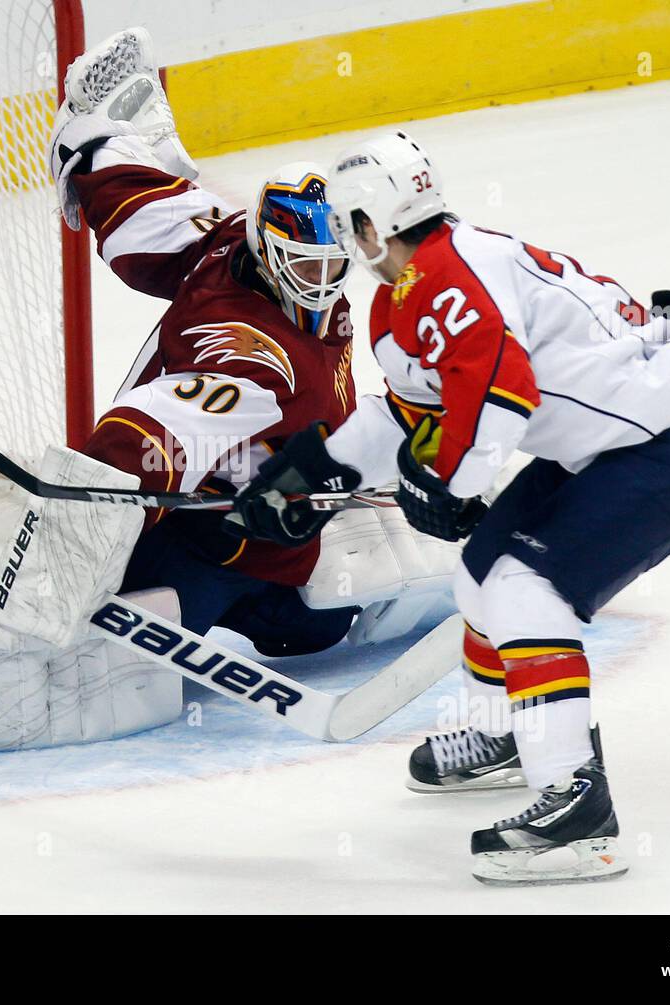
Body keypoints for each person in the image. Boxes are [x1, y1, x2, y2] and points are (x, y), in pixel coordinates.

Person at [231, 130, 670, 884]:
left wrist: (447, 485)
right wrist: (310, 477)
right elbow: (411, 414)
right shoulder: (415, 288)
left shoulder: (445, 280)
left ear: (370, 223)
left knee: (524, 591)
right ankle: (505, 735)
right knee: (481, 573)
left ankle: (578, 813)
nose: (348, 241)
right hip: (615, 439)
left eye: (350, 224)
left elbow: (504, 395)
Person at [50, 31, 455, 657]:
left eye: (332, 264)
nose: (321, 283)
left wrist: (99, 149)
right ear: (268, 250)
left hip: (271, 520)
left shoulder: (227, 241)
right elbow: (151, 432)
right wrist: (79, 519)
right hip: (193, 534)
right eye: (306, 265)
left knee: (317, 629)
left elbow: (138, 210)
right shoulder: (250, 357)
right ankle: (115, 583)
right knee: (136, 636)